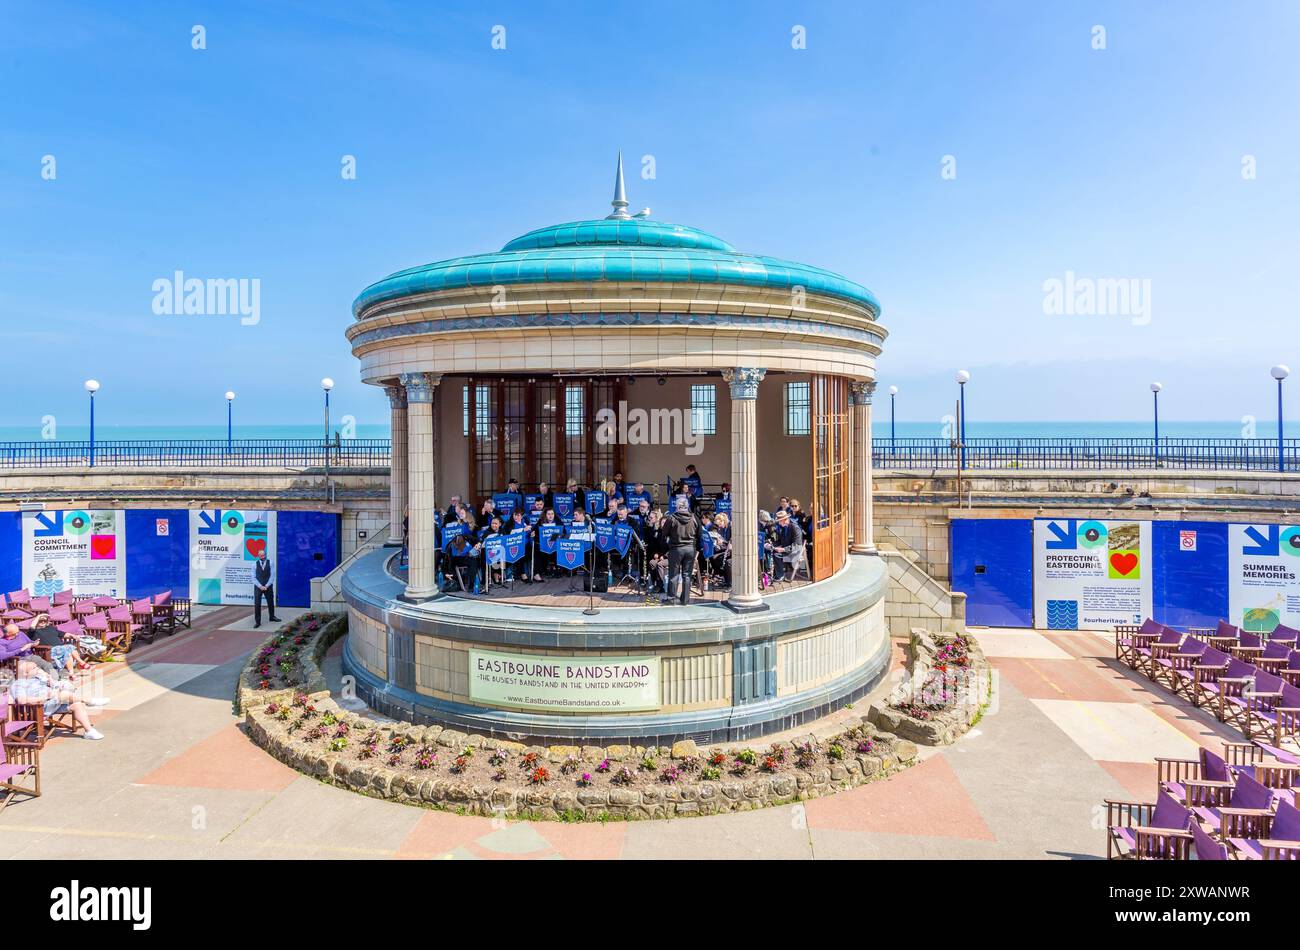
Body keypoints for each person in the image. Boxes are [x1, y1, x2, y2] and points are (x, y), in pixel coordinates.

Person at [8, 658, 107, 739]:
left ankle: (89, 731)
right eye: (34, 668)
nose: (38, 668)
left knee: (77, 704)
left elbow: (55, 686)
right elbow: (22, 700)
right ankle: (89, 701)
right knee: (63, 695)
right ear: (25, 673)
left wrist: (50, 680)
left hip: (51, 704)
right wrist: (45, 697)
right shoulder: (18, 685)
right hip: (37, 708)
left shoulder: (37, 679)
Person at [661, 497, 699, 605]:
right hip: (690, 549)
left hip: (676, 549)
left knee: (674, 574)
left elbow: (664, 532)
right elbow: (699, 534)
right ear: (687, 506)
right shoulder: (694, 517)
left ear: (678, 507)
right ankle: (685, 600)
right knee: (687, 575)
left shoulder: (672, 518)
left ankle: (671, 598)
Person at [769, 508, 805, 582]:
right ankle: (779, 574)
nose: (778, 523)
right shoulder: (782, 527)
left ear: (785, 519)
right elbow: (780, 540)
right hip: (787, 548)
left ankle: (780, 576)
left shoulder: (795, 527)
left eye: (780, 521)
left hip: (796, 551)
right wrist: (772, 545)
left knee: (777, 554)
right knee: (774, 551)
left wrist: (783, 549)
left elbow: (797, 545)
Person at [252, 551, 280, 628]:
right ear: (258, 556)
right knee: (257, 604)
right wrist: (260, 586)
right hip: (258, 587)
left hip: (268, 586)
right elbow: (253, 577)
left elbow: (272, 575)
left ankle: (272, 617)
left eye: (264, 555)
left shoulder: (271, 562)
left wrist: (267, 585)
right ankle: (257, 622)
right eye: (261, 555)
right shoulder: (254, 564)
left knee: (270, 602)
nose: (263, 557)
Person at [707, 512, 733, 590]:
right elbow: (722, 538)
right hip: (725, 548)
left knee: (727, 562)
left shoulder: (731, 526)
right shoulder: (722, 528)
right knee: (713, 557)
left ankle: (730, 584)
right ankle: (722, 576)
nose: (720, 526)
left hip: (732, 550)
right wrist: (719, 540)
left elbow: (732, 539)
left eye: (720, 524)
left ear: (724, 521)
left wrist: (727, 543)